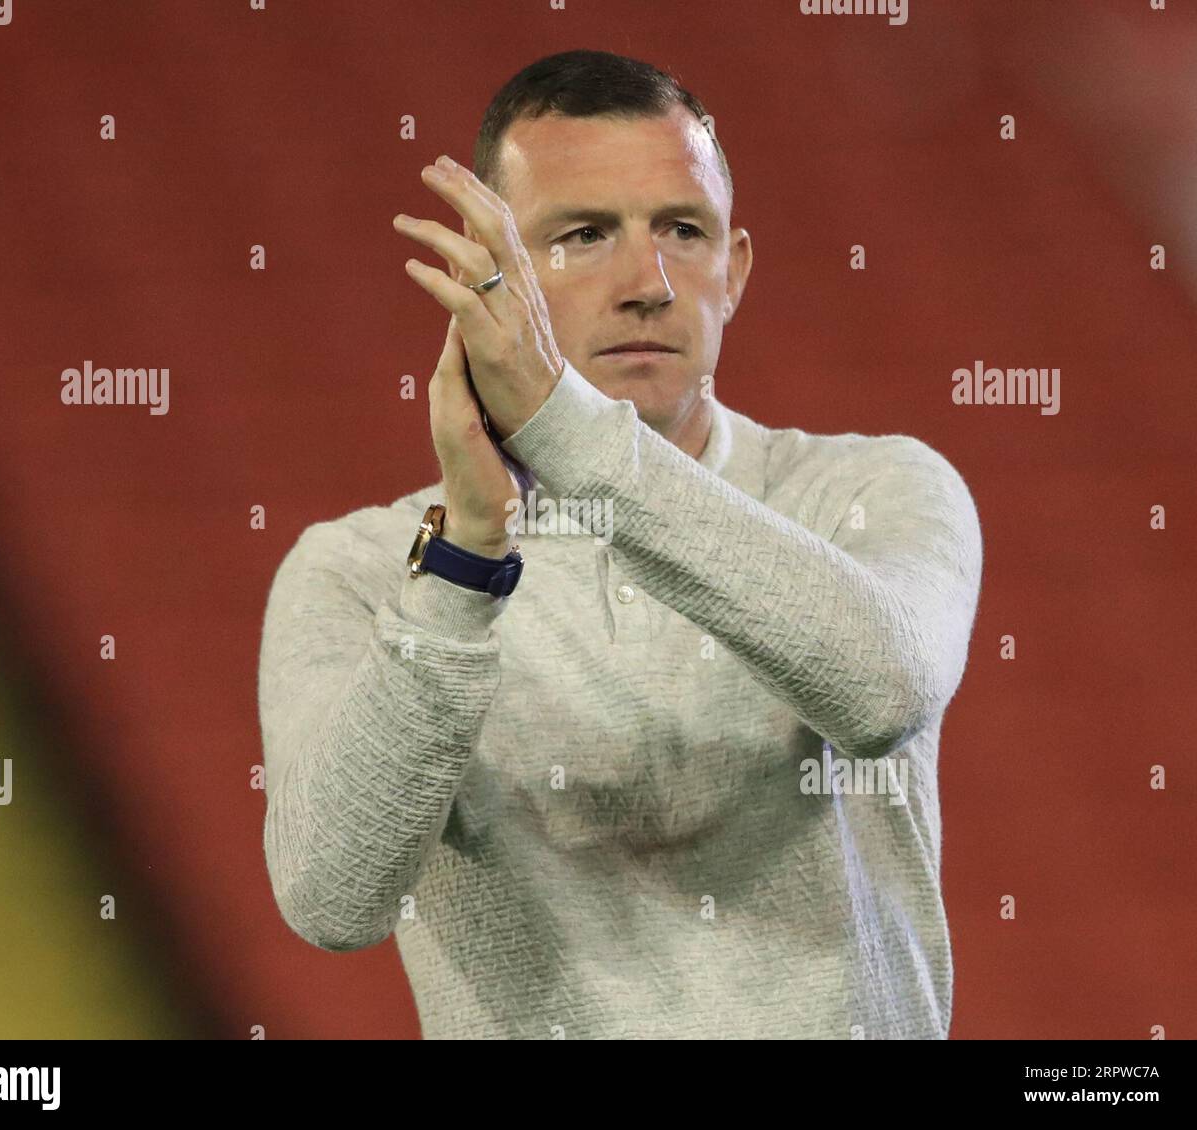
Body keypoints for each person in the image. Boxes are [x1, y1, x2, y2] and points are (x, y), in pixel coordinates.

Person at [258, 49, 983, 1039]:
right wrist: (466, 563)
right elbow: (333, 900)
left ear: (734, 273)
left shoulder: (873, 489)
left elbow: (880, 689)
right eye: (582, 234)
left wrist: (559, 428)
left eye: (683, 231)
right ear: (490, 277)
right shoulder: (361, 569)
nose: (646, 281)